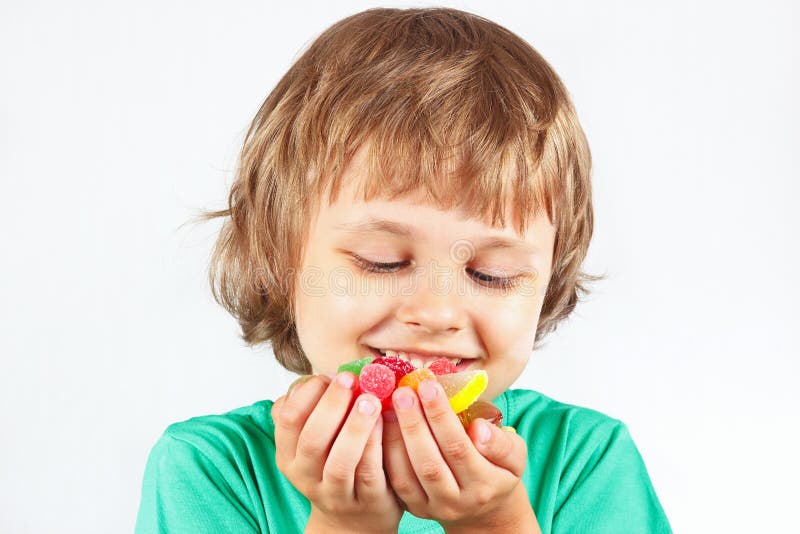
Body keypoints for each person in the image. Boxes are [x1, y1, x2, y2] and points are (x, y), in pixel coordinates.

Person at [135, 7, 672, 533]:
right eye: (381, 262)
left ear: (549, 282)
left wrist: (495, 523)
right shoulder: (208, 469)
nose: (437, 312)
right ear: (279, 261)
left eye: (493, 274)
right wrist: (346, 526)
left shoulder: (589, 461)